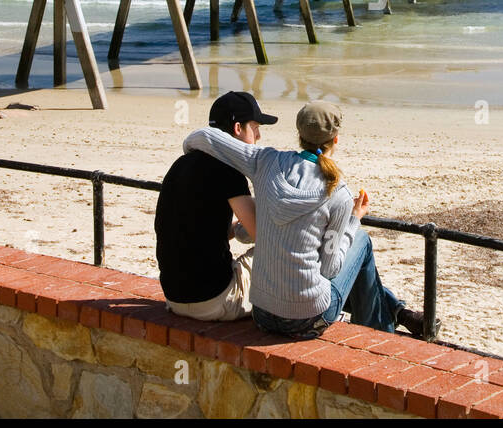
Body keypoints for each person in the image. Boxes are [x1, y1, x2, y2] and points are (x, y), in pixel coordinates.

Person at [182, 101, 432, 340]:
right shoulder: (339, 195)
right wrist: (353, 220)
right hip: (307, 320)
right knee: (361, 241)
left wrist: (188, 149)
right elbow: (330, 269)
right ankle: (380, 329)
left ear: (299, 133)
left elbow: (205, 137)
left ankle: (391, 314)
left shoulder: (266, 161)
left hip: (263, 314)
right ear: (336, 139)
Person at [155, 92, 272, 322]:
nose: (258, 136)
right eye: (255, 127)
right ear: (238, 128)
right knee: (284, 253)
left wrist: (234, 230)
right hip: (215, 300)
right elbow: (263, 234)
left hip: (174, 296)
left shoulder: (180, 164)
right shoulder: (229, 171)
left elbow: (196, 228)